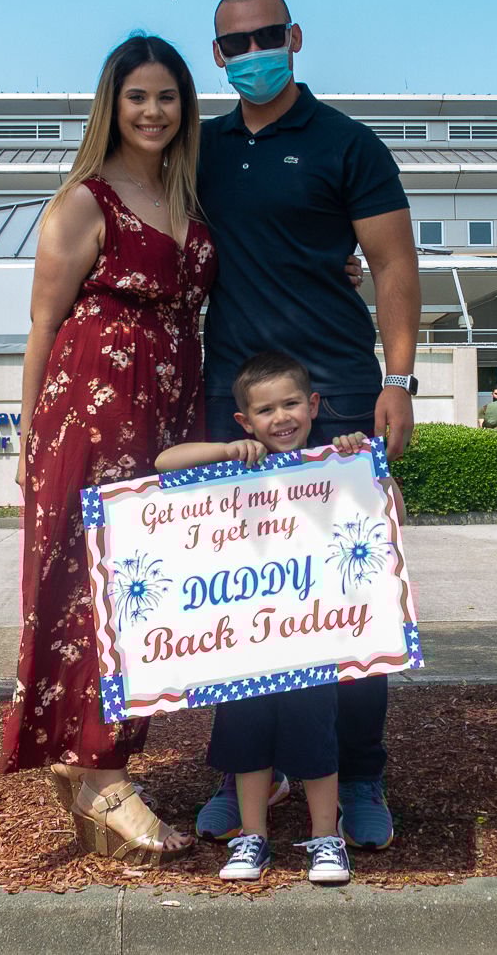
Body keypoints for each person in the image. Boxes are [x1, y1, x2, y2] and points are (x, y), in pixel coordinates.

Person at [195, 0, 421, 851]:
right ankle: (246, 770)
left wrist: (396, 379)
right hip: (235, 405)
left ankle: (359, 772)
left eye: (265, 35)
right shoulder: (200, 149)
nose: (252, 51)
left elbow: (393, 263)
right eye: (234, 43)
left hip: (337, 401)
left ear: (293, 37)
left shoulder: (346, 144)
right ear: (217, 56)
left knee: (349, 597)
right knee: (237, 599)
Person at [0, 34, 216, 863]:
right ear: (112, 106)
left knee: (144, 587)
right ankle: (96, 770)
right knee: (88, 583)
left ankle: (96, 761)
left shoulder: (190, 197)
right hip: (92, 406)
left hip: (168, 405)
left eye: (166, 97)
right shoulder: (84, 201)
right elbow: (42, 327)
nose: (153, 112)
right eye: (137, 98)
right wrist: (28, 436)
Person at [157, 352, 404, 883]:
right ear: (246, 420)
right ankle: (252, 839)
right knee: (245, 734)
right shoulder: (232, 465)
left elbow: (394, 519)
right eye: (265, 410)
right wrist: (226, 447)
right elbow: (162, 465)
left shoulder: (333, 466)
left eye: (292, 403)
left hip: (310, 636)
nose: (282, 417)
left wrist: (366, 466)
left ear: (314, 406)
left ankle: (325, 838)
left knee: (317, 730)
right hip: (244, 639)